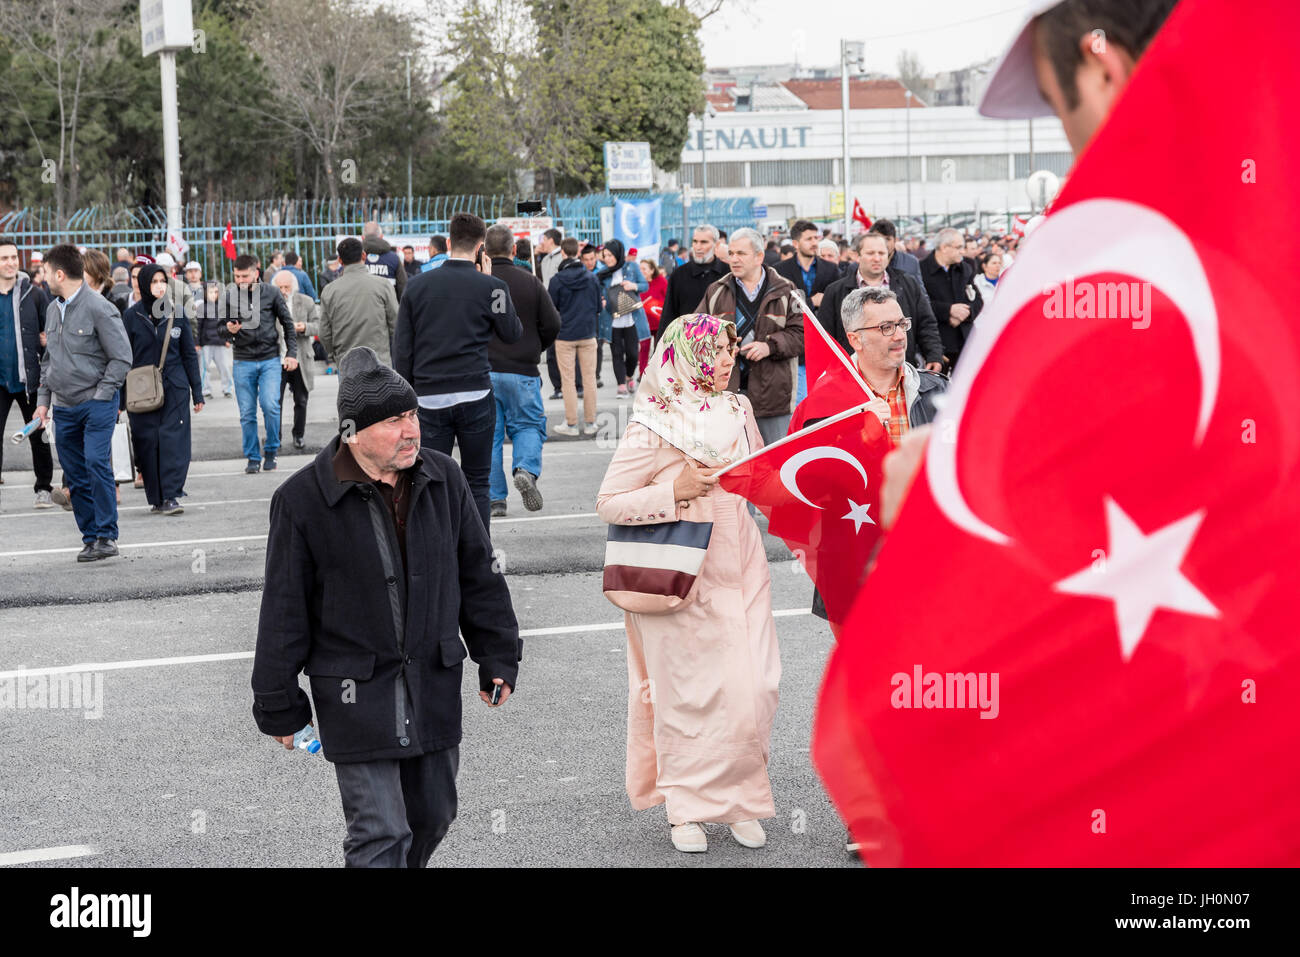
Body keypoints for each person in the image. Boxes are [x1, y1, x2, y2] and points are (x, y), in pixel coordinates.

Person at [880, 0, 1181, 532]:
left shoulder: (1095, 259)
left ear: (1104, 71)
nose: (1068, 135)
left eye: (1056, 103)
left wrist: (956, 480)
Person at [251, 346, 521, 868]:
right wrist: (277, 701)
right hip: (355, 692)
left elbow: (478, 574)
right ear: (354, 432)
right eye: (395, 421)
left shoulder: (444, 479)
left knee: (434, 816)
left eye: (414, 415)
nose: (412, 430)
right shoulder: (302, 499)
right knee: (381, 832)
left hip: (432, 678)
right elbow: (284, 608)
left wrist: (498, 654)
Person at [596, 313, 779, 853]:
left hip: (742, 560)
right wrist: (673, 490)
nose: (727, 361)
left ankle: (740, 799)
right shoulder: (652, 422)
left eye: (729, 350)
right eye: (717, 352)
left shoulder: (738, 407)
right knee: (689, 697)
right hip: (679, 568)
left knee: (755, 687)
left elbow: (758, 476)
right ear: (689, 357)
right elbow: (608, 503)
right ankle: (687, 809)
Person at [392, 211, 521, 530]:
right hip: (475, 394)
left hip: (430, 398)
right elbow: (512, 333)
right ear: (482, 248)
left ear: (448, 242)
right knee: (478, 481)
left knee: (432, 481)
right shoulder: (492, 287)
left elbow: (402, 350)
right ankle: (479, 558)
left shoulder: (417, 286)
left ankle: (439, 552)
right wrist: (492, 281)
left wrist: (406, 403)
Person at [33, 245, 132, 561]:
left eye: (46, 271)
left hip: (96, 403)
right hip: (64, 407)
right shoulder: (52, 309)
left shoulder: (100, 308)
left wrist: (103, 394)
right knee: (74, 472)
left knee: (95, 463)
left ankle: (107, 535)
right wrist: (43, 402)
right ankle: (90, 537)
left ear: (59, 274)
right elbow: (49, 362)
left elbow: (121, 357)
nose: (43, 276)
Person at [696, 227, 803, 444]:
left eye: (741, 254)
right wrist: (720, 348)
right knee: (733, 462)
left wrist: (769, 346)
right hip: (727, 393)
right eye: (731, 253)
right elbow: (696, 333)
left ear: (759, 256)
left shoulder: (787, 290)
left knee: (775, 461)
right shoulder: (716, 290)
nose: (734, 259)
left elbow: (802, 335)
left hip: (773, 397)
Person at [483, 225, 560, 517]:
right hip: (524, 371)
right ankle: (526, 469)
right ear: (514, 250)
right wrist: (536, 346)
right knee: (528, 425)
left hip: (485, 371)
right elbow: (552, 324)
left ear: (484, 251)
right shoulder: (531, 282)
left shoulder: (480, 283)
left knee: (489, 435)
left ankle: (494, 499)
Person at [122, 264, 204, 515]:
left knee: (173, 440)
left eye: (163, 281)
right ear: (145, 285)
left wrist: (197, 392)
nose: (159, 286)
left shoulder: (176, 314)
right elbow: (123, 357)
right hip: (141, 390)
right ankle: (156, 497)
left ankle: (171, 494)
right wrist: (119, 399)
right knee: (147, 441)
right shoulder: (132, 316)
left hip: (175, 387)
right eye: (154, 281)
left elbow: (189, 354)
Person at [819, 231, 944, 372]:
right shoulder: (836, 290)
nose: (877, 258)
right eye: (871, 253)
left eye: (882, 253)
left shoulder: (908, 284)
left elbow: (926, 323)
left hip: (900, 369)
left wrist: (934, 354)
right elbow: (825, 335)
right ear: (857, 256)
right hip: (853, 373)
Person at [222, 253, 298, 474]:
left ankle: (272, 451)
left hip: (269, 360)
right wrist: (229, 331)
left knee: (270, 406)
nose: (240, 280)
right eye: (236, 276)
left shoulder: (272, 293)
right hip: (242, 361)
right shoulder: (230, 296)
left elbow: (288, 324)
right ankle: (253, 457)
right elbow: (218, 329)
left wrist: (291, 353)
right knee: (247, 413)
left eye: (245, 276)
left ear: (256, 273)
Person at [0, 236, 54, 507]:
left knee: (38, 434)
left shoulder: (34, 294)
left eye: (13, 257)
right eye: (4, 258)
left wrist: (47, 340)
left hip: (30, 379)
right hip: (0, 379)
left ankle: (43, 487)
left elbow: (52, 331)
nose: (10, 263)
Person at [548, 237, 601, 437]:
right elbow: (597, 307)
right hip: (588, 334)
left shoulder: (557, 280)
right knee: (589, 380)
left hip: (565, 335)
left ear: (562, 253)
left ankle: (571, 424)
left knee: (568, 381)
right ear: (577, 254)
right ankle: (590, 422)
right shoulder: (591, 278)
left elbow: (552, 309)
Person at [318, 237, 399, 367]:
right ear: (363, 255)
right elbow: (396, 323)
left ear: (340, 260)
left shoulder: (329, 291)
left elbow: (324, 332)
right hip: (379, 361)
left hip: (347, 362)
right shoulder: (383, 285)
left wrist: (334, 355)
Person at [920, 227, 984, 371]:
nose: (963, 251)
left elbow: (977, 300)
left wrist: (964, 314)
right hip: (938, 343)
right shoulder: (922, 270)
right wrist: (948, 311)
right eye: (959, 247)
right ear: (944, 247)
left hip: (966, 341)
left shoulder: (965, 268)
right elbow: (921, 305)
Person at [596, 239, 650, 399]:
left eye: (610, 255)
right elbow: (597, 293)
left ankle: (628, 377)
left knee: (633, 354)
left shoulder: (631, 267)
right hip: (612, 319)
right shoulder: (602, 274)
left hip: (632, 318)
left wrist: (633, 286)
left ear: (618, 254)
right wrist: (601, 300)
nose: (607, 259)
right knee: (616, 353)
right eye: (605, 256)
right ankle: (621, 386)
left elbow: (644, 285)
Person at [272, 269, 319, 452]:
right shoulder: (270, 303)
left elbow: (318, 326)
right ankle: (275, 437)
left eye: (287, 287)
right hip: (278, 357)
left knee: (301, 400)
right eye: (280, 287)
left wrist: (304, 327)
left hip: (301, 356)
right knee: (275, 401)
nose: (283, 290)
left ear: (293, 287)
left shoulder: (306, 301)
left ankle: (298, 435)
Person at [660, 224, 728, 346]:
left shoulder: (728, 274)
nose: (698, 247)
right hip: (687, 347)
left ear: (716, 245)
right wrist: (660, 352)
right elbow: (668, 315)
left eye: (703, 242)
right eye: (695, 242)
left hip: (721, 348)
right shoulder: (679, 275)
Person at [195, 281, 234, 398]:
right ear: (205, 293)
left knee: (224, 367)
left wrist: (228, 340)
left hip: (220, 342)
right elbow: (198, 326)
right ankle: (205, 390)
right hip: (206, 343)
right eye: (211, 292)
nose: (213, 295)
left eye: (216, 292)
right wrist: (197, 343)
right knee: (204, 369)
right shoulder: (202, 308)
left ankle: (227, 388)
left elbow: (227, 324)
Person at [362, 221, 407, 301]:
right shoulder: (394, 258)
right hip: (388, 308)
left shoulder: (354, 257)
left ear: (362, 237)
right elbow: (402, 286)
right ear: (381, 236)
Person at [637, 259, 666, 378]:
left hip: (659, 322)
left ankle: (658, 373)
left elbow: (668, 299)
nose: (641, 271)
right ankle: (642, 374)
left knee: (658, 349)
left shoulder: (661, 281)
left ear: (652, 270)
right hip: (644, 322)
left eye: (644, 269)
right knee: (644, 347)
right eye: (640, 269)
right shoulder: (638, 283)